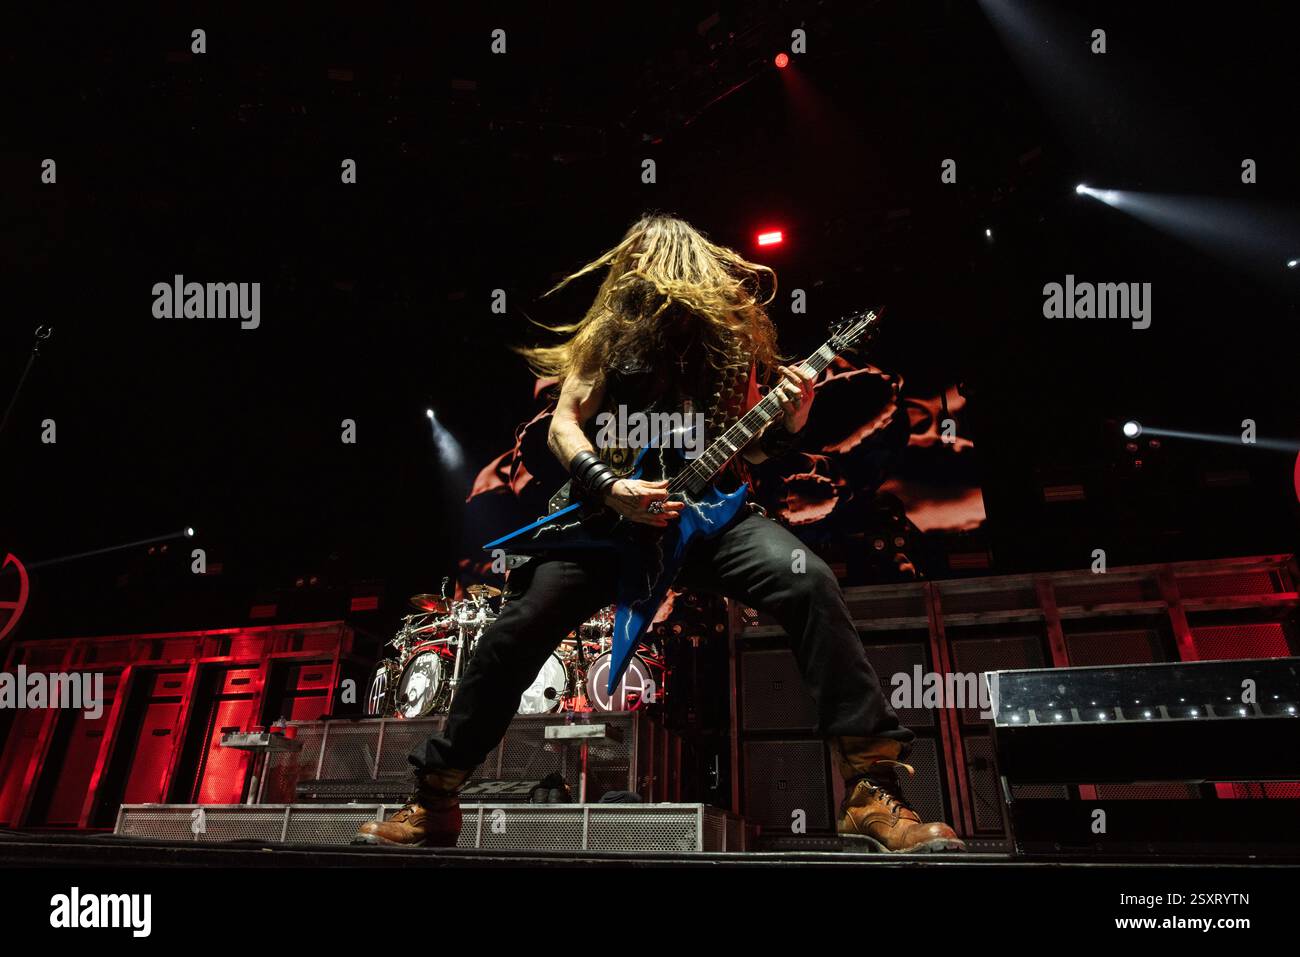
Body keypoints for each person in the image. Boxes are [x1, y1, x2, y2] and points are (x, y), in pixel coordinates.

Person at [355, 213, 964, 852]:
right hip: (606, 519)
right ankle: (436, 797)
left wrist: (794, 420)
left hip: (709, 519)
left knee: (809, 581)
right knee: (515, 630)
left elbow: (750, 454)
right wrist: (612, 486)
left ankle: (871, 794)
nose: (654, 275)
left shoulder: (732, 341)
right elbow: (564, 425)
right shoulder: (609, 335)